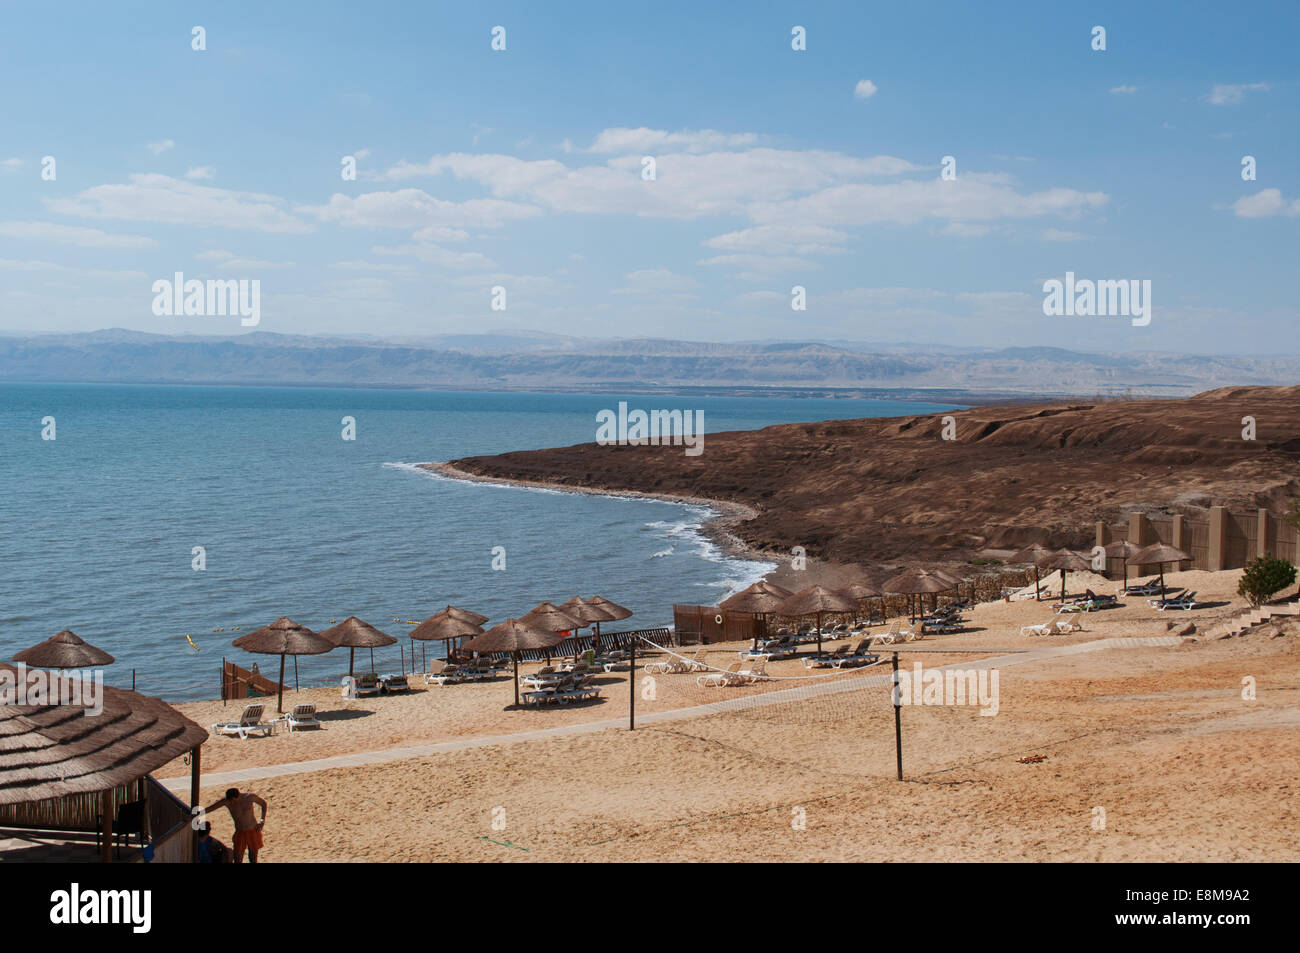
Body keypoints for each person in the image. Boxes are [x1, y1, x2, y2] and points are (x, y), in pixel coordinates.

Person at [203, 787, 268, 863]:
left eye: (233, 800)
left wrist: (262, 820)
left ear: (238, 796)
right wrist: (195, 813)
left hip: (253, 830)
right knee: (237, 857)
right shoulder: (226, 801)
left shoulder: (249, 797)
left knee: (253, 857)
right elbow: (210, 808)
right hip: (240, 831)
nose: (232, 803)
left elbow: (263, 804)